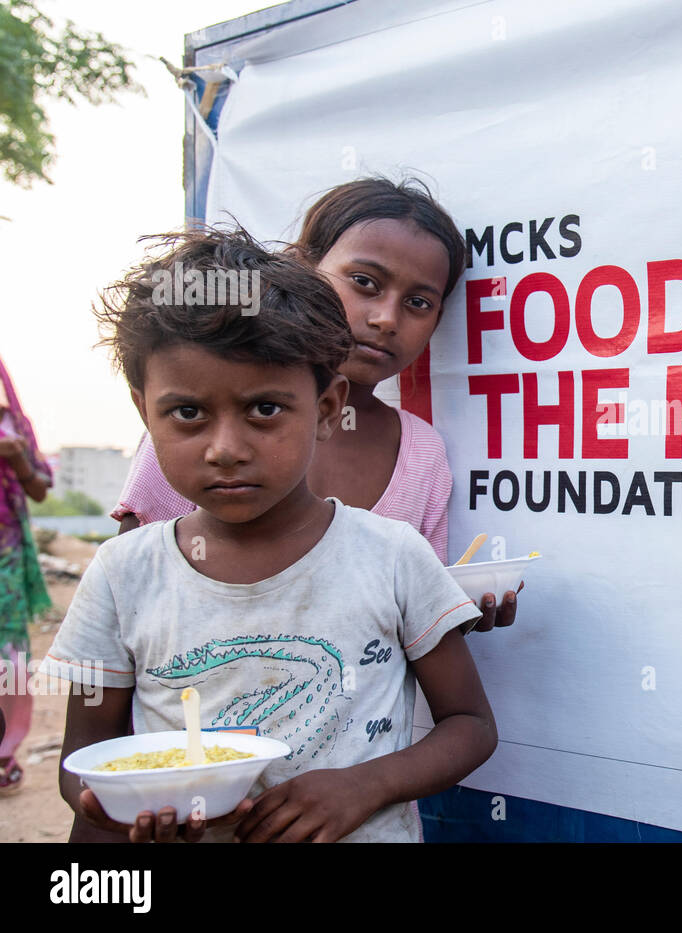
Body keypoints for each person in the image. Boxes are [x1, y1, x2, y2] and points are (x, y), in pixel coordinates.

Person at [42, 228, 496, 841]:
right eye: (187, 414)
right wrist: (127, 812)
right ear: (143, 409)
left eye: (264, 410)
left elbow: (468, 724)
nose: (226, 450)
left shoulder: (391, 556)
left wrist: (368, 785)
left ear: (330, 409)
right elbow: (88, 757)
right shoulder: (124, 574)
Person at [114, 177, 520, 631]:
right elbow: (129, 594)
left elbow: (413, 612)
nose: (387, 318)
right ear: (303, 267)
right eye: (364, 282)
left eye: (418, 302)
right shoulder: (205, 432)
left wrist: (452, 616)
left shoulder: (421, 453)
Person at [0, 355, 53, 795]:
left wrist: (17, 458)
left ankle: (4, 753)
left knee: (8, 660)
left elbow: (39, 487)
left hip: (6, 557)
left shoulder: (13, 425)